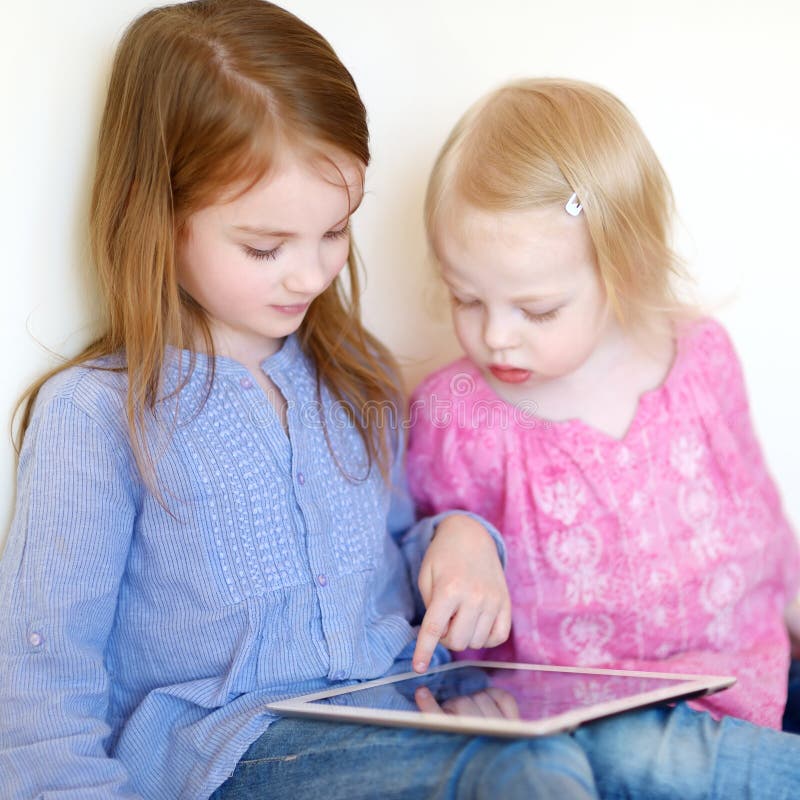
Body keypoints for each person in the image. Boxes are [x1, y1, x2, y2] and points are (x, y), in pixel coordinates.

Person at [0, 5, 609, 799]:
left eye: (336, 231)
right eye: (265, 247)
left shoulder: (354, 378)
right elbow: (43, 679)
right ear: (159, 215)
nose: (311, 275)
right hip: (235, 756)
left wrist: (458, 539)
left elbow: (391, 555)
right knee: (523, 771)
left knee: (634, 746)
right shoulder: (97, 416)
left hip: (400, 713)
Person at [406, 76, 800, 797]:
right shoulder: (456, 413)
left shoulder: (701, 357)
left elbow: (758, 512)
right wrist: (451, 545)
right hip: (598, 714)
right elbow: (426, 564)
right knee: (678, 762)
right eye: (465, 297)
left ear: (625, 269)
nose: (496, 335)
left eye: (538, 309)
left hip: (753, 664)